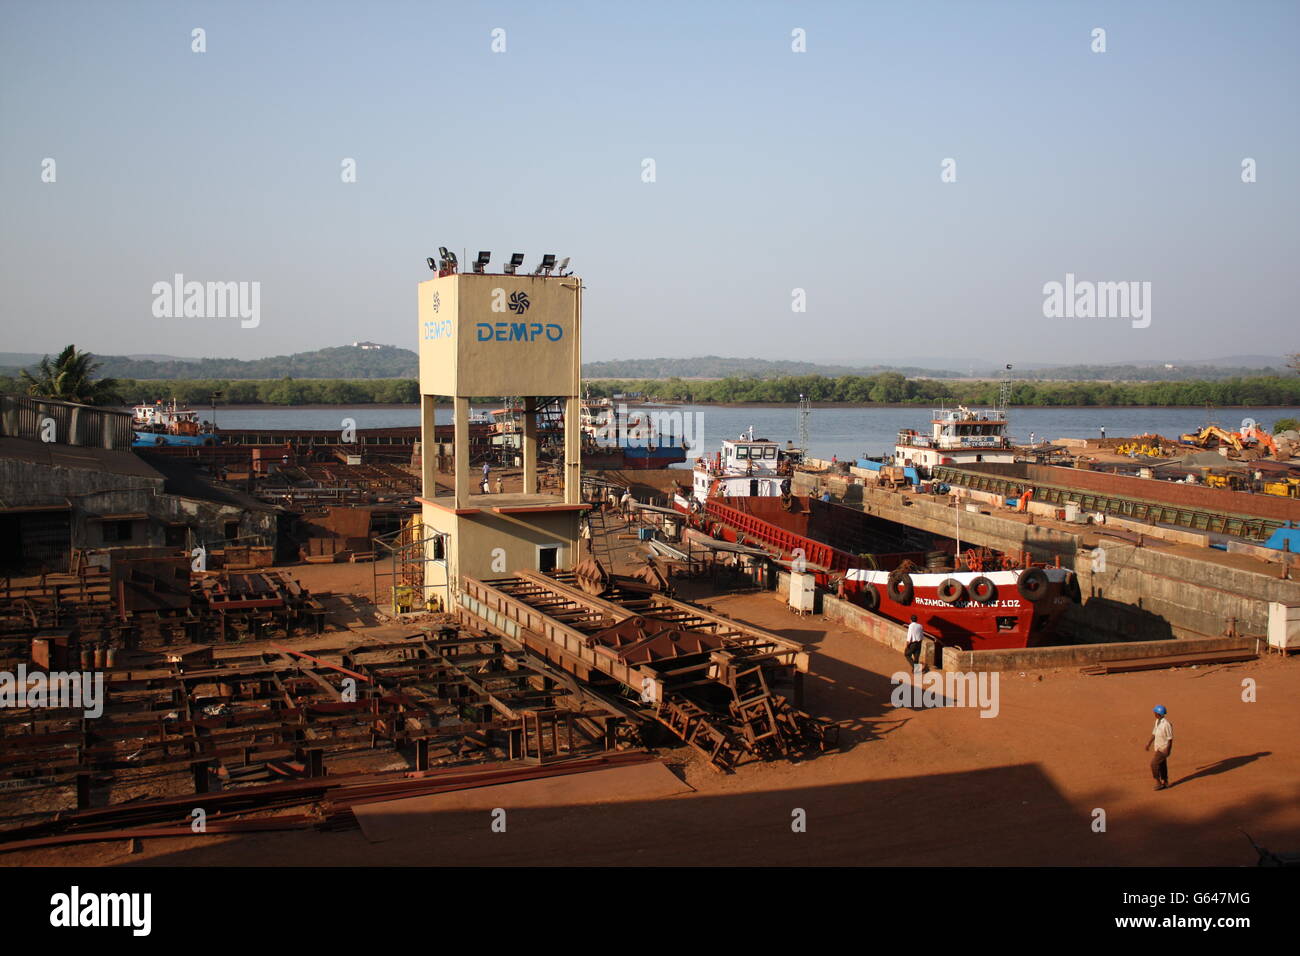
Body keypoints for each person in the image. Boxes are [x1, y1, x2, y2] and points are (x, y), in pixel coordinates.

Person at [1145, 705, 1174, 790]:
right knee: (1162, 765)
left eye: (1155, 712)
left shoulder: (1166, 724)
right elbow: (1154, 733)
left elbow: (1170, 738)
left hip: (1163, 749)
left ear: (1158, 713)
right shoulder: (1157, 721)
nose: (1154, 714)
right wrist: (1149, 743)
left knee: (1153, 764)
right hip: (1158, 747)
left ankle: (1158, 782)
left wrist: (1168, 750)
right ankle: (1165, 782)